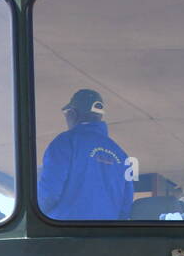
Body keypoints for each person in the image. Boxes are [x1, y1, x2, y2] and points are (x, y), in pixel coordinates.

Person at [37, 89, 133, 220]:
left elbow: (48, 193)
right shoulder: (122, 155)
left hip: (65, 233)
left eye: (66, 113)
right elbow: (126, 206)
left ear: (73, 113)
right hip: (106, 237)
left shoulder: (65, 141)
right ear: (100, 117)